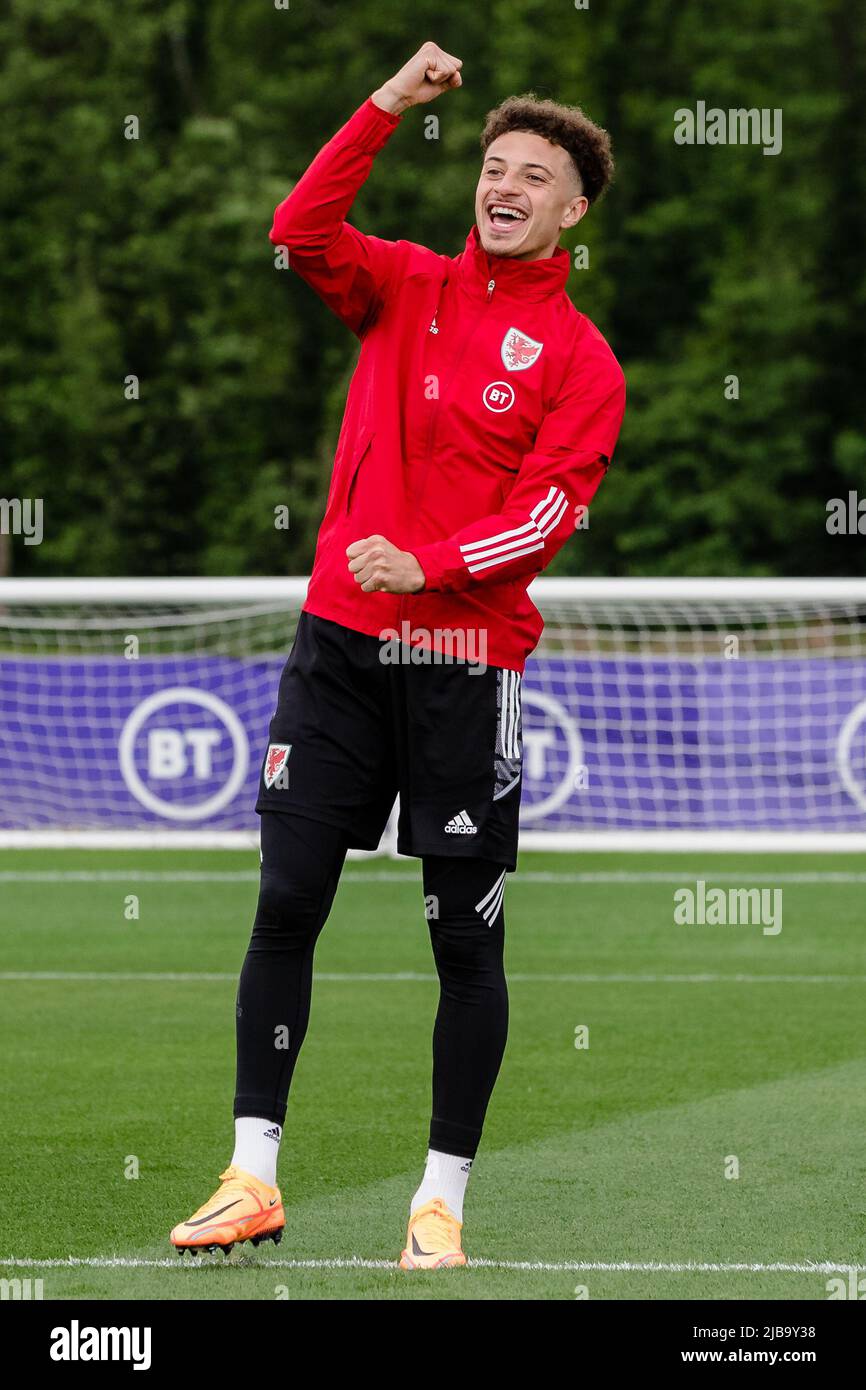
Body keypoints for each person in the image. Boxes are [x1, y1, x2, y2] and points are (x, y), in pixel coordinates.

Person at [170, 40, 625, 1270]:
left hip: (465, 670)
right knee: (284, 903)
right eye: (492, 163)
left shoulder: (581, 362)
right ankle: (249, 1176)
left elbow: (544, 518)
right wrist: (385, 105)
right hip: (338, 650)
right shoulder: (404, 284)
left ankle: (439, 1202)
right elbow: (300, 226)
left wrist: (424, 566)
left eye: (533, 175)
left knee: (461, 941)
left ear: (571, 211)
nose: (504, 185)